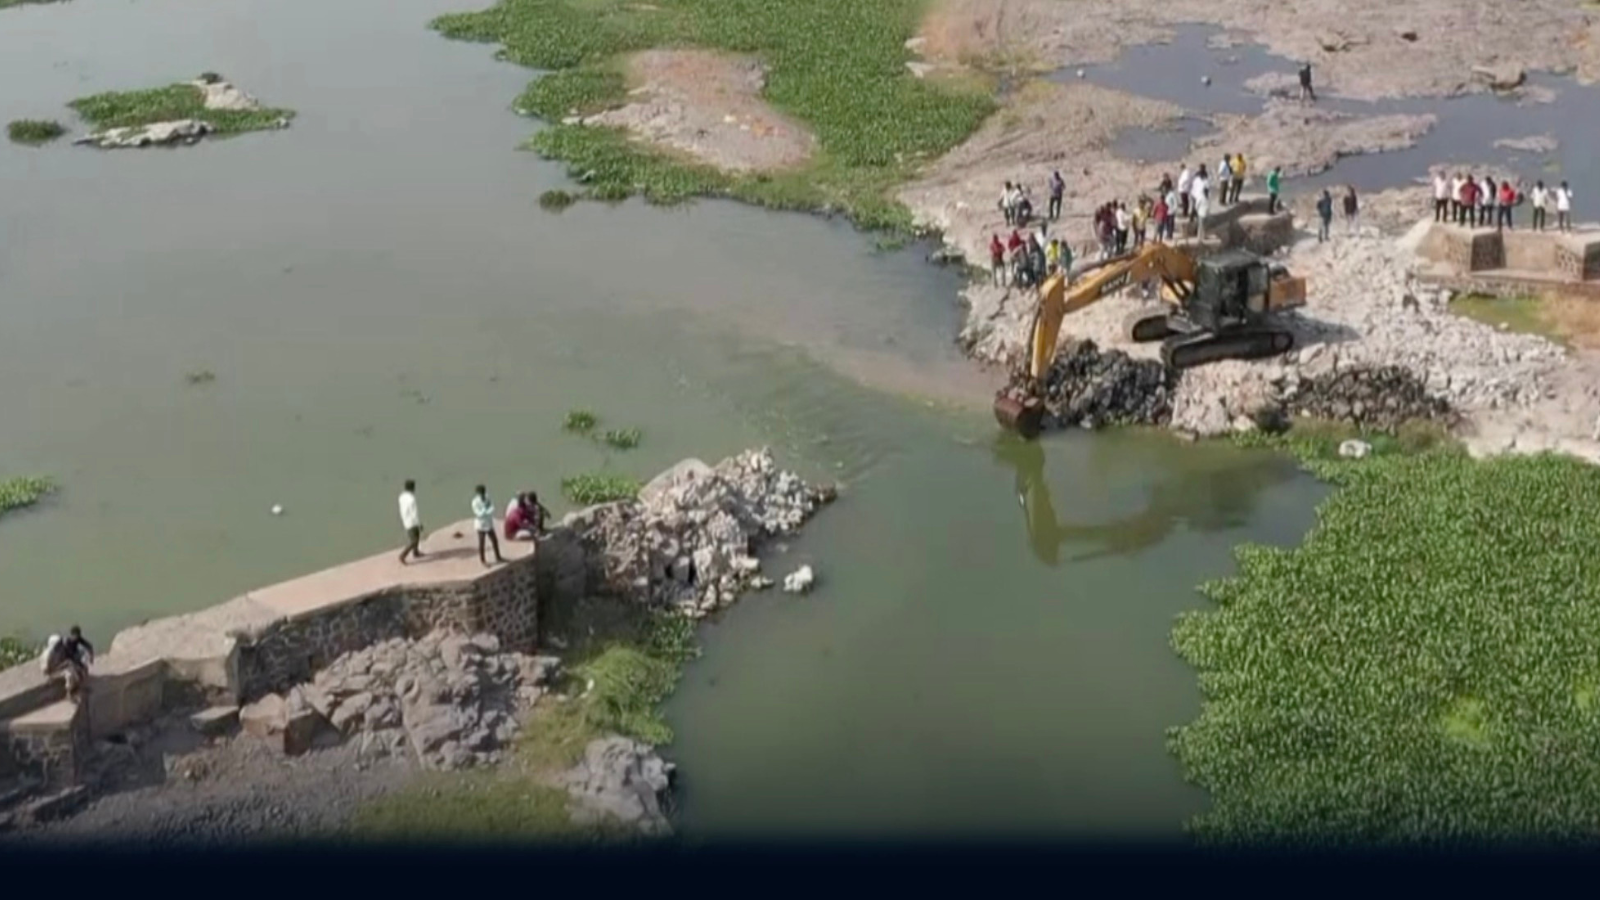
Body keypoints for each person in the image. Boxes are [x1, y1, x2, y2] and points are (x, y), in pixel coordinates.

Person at [41, 628, 93, 704]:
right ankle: (69, 694)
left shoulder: (58, 650)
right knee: (70, 674)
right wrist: (65, 665)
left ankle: (79, 686)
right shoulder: (48, 655)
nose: (60, 644)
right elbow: (47, 669)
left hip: (60, 666)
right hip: (51, 671)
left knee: (77, 668)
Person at [471, 485, 505, 566]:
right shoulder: (475, 502)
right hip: (481, 525)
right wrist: (486, 510)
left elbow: (492, 508)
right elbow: (478, 513)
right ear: (478, 493)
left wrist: (487, 511)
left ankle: (498, 557)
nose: (483, 494)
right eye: (481, 493)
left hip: (489, 523)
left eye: (483, 492)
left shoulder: (488, 498)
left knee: (494, 540)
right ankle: (483, 560)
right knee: (482, 542)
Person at [398, 479, 424, 564]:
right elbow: (414, 513)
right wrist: (419, 524)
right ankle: (402, 555)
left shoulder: (401, 496)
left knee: (417, 535)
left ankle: (416, 552)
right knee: (414, 540)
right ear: (412, 488)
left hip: (405, 519)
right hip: (412, 522)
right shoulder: (411, 499)